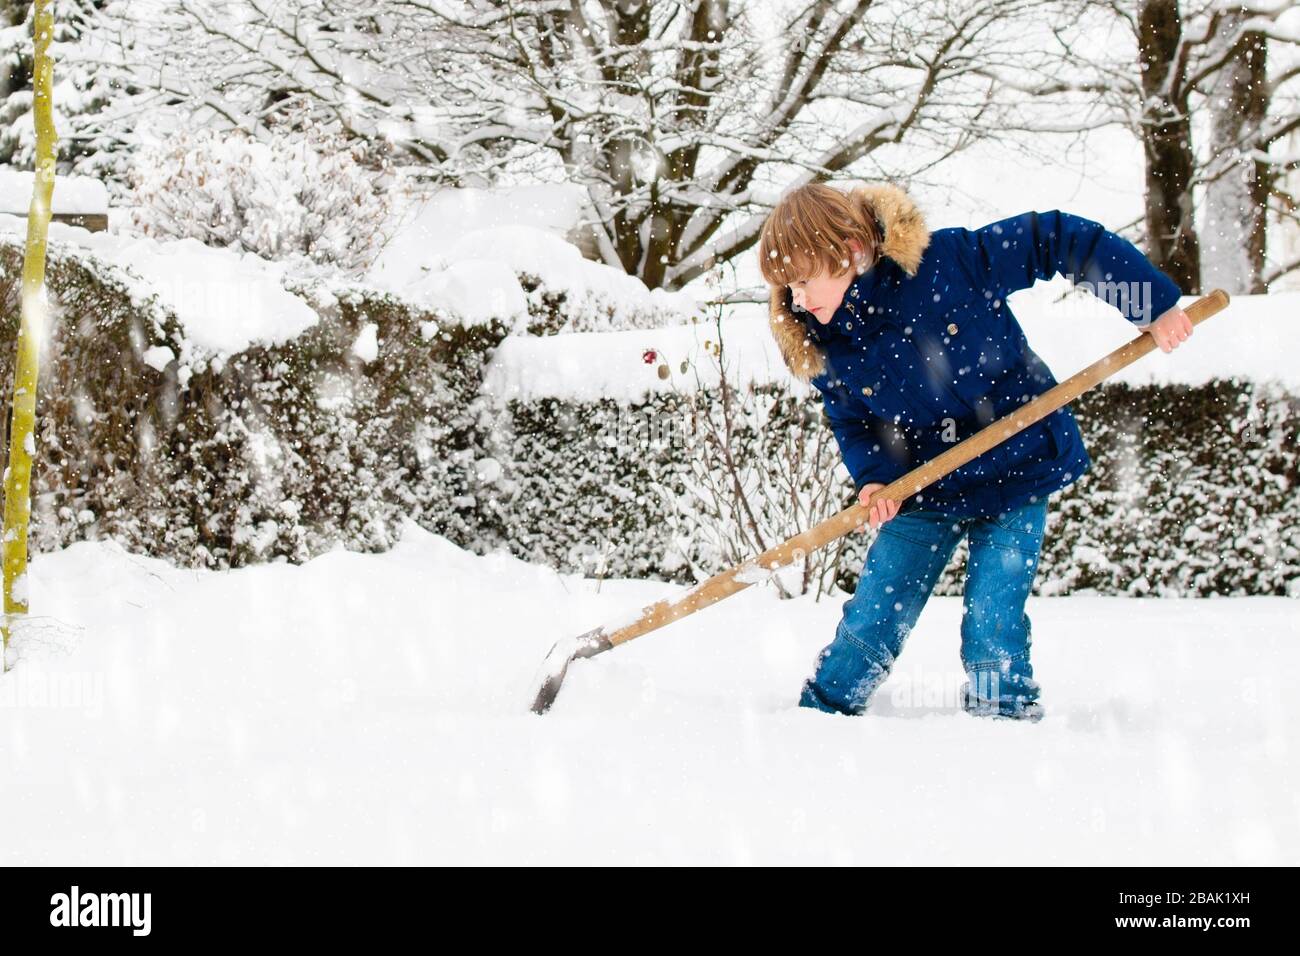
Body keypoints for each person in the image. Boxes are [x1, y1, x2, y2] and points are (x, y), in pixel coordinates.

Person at [757, 180, 1194, 720]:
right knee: (875, 614)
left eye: (802, 281)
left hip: (1018, 466)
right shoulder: (828, 342)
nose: (796, 299)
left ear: (848, 251)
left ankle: (1003, 721)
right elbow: (852, 419)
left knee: (993, 621)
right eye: (788, 288)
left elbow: (1057, 238)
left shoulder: (948, 264)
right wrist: (874, 477)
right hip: (922, 484)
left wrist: (1149, 303)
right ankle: (820, 717)